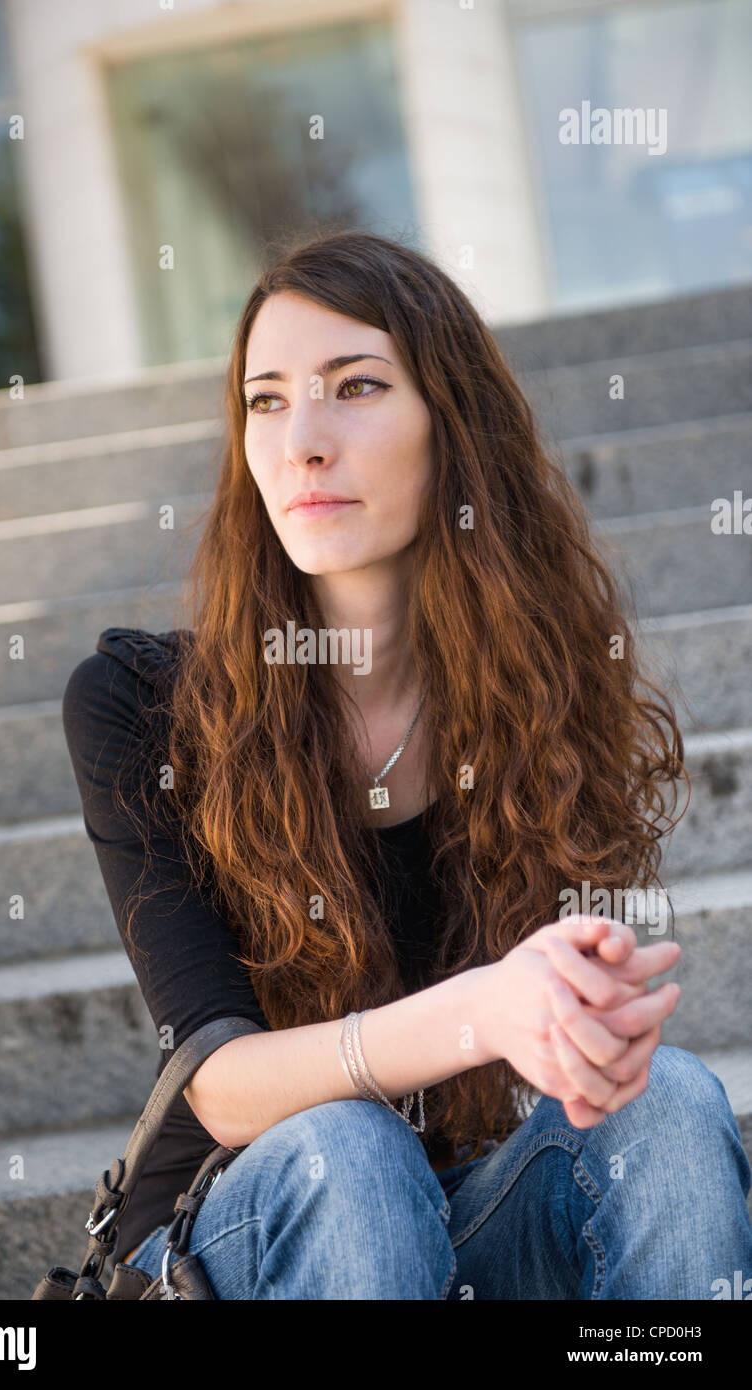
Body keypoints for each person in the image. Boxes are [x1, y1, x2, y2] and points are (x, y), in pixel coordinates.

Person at [63, 229, 752, 1299]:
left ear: (451, 426)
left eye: (355, 386)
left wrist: (582, 1022)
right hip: (236, 1236)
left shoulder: (534, 704)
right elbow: (224, 1087)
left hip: (435, 1224)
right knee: (353, 1150)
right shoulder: (143, 707)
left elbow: (534, 1055)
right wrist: (486, 1008)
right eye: (268, 400)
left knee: (667, 1101)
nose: (304, 441)